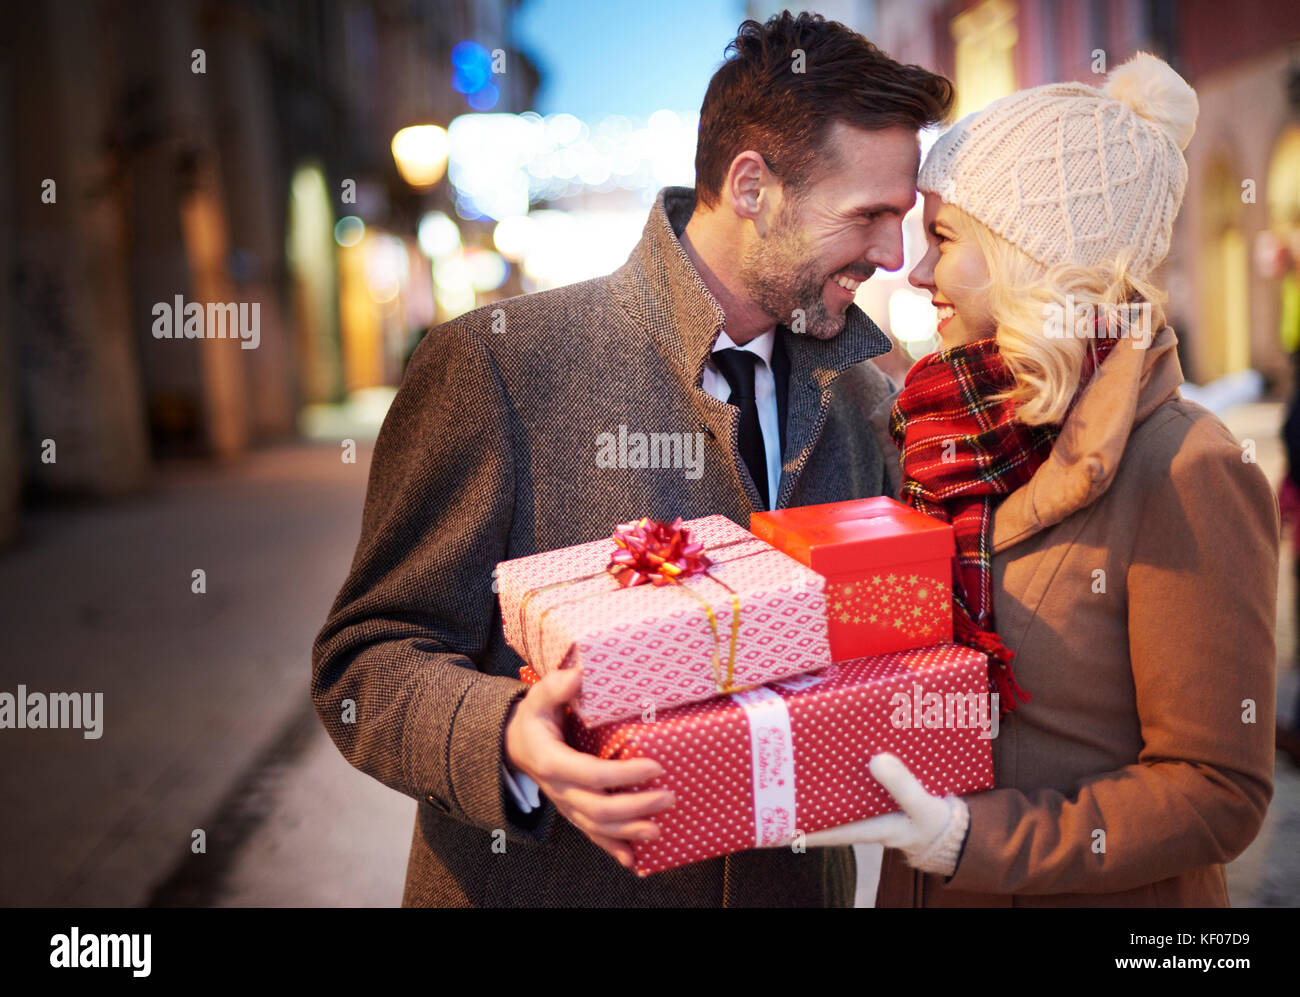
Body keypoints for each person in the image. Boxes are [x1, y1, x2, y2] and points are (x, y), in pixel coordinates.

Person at [311, 11, 953, 907]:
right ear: (753, 185)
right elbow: (365, 661)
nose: (892, 255)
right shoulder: (499, 363)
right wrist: (505, 737)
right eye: (870, 216)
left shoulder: (863, 399)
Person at [790, 52, 1279, 906]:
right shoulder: (937, 435)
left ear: (1031, 255)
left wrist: (972, 839)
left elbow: (1218, 790)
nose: (916, 271)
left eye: (944, 239)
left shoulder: (1187, 466)